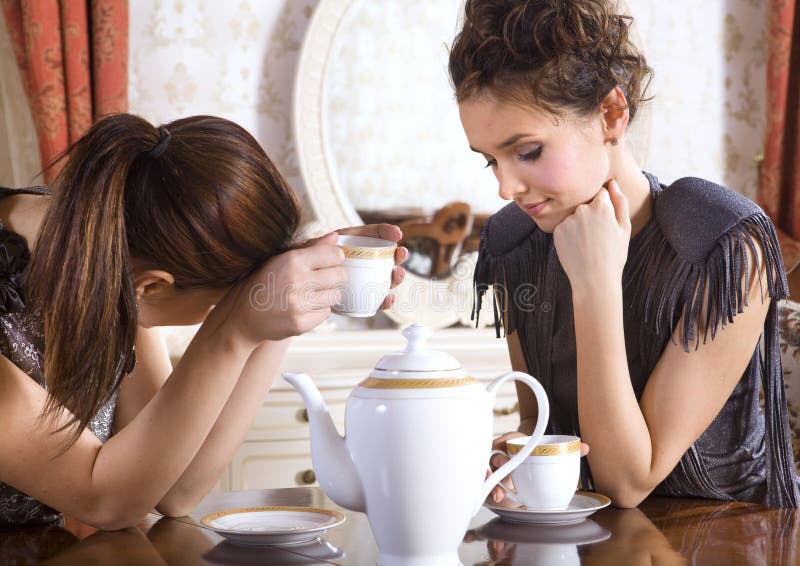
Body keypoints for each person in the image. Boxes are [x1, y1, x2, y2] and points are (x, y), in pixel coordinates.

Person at [449, 0, 800, 508]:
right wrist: (518, 451)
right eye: (491, 161)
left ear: (611, 114)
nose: (506, 188)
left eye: (527, 152)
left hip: (727, 535)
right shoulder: (515, 244)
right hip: (590, 538)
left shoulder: (722, 245)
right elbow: (541, 421)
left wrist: (595, 284)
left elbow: (627, 483)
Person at [0, 113, 406, 527]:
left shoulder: (112, 247)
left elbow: (174, 489)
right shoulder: (116, 265)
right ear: (151, 287)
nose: (222, 313)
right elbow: (106, 502)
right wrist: (232, 332)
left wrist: (285, 306)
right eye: (220, 304)